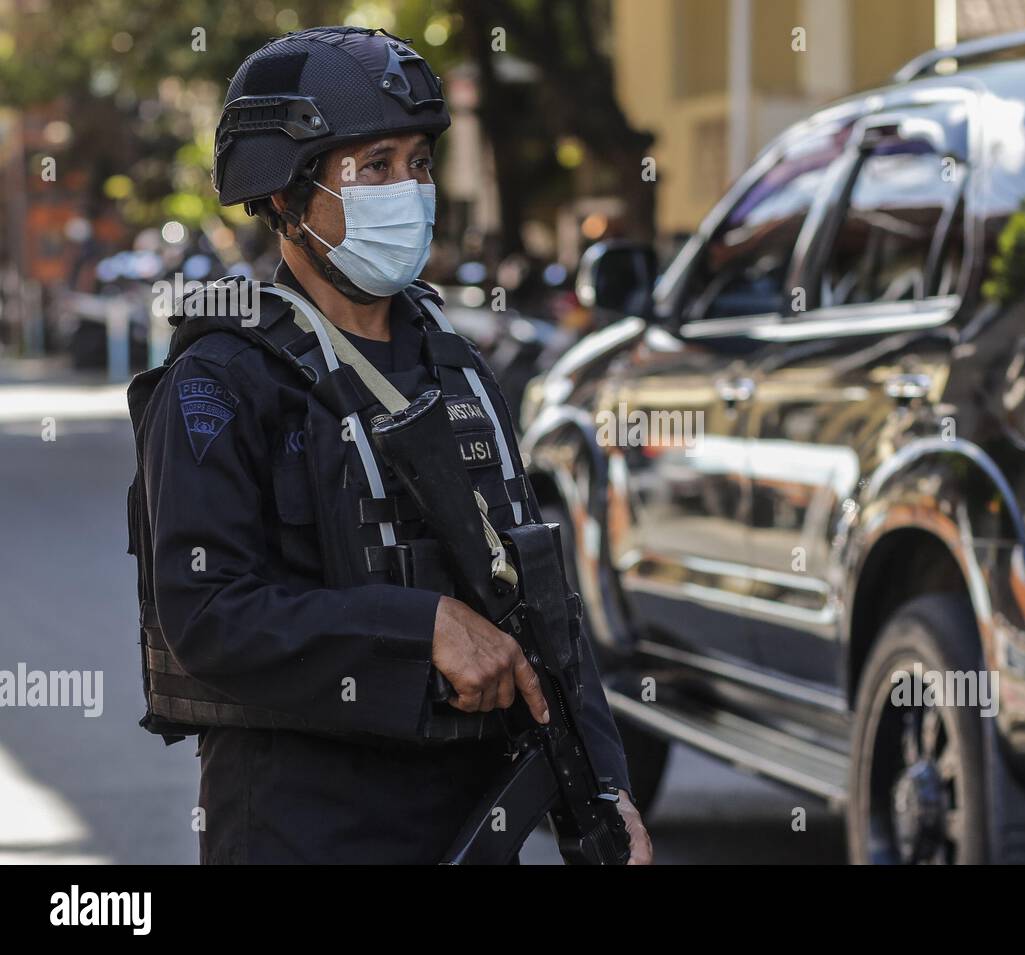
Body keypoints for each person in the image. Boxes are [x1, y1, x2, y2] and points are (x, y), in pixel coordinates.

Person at [126, 25, 652, 864]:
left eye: (419, 163)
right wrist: (420, 627)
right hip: (301, 827)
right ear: (288, 196)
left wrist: (604, 787)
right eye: (375, 167)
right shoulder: (220, 376)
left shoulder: (457, 363)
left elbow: (541, 601)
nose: (408, 190)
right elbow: (209, 614)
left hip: (470, 819)